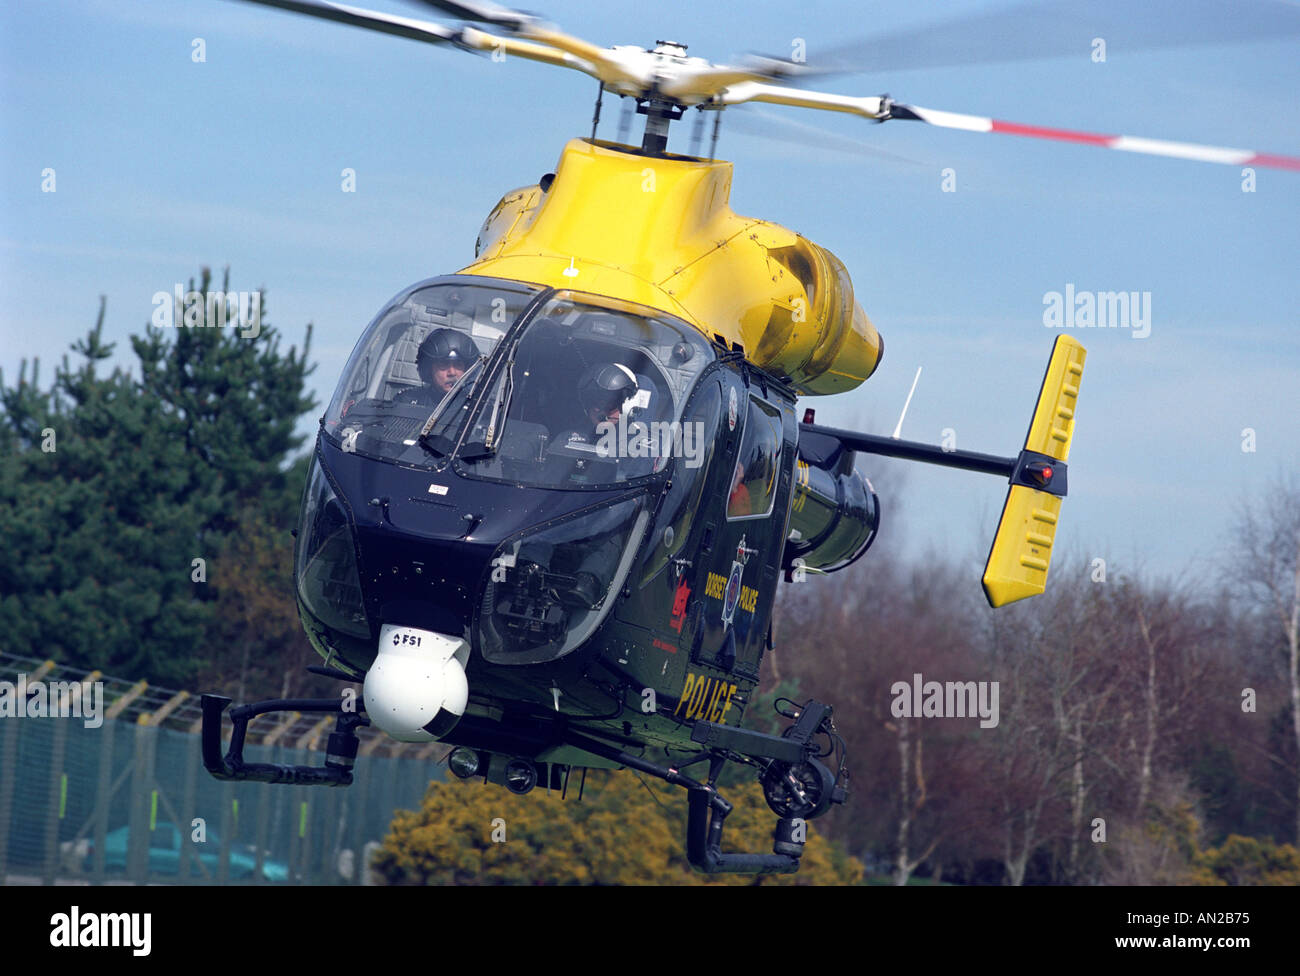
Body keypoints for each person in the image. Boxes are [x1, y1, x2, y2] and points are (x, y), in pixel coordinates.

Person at [402, 328, 479, 407]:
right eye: (444, 364)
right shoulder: (408, 401)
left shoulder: (475, 408)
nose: (452, 373)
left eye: (458, 364)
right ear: (428, 370)